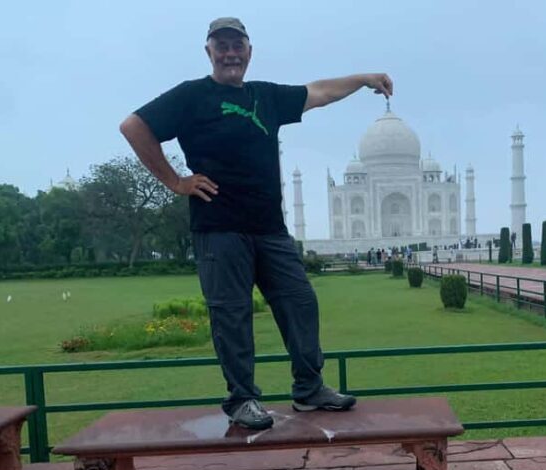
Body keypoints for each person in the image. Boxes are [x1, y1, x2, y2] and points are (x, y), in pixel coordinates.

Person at [120, 17, 394, 430]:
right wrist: (175, 181)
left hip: (269, 227)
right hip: (220, 228)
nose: (230, 53)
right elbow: (134, 126)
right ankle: (242, 399)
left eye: (237, 45)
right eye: (222, 45)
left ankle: (309, 388)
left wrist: (363, 77)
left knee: (300, 302)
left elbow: (319, 92)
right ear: (209, 51)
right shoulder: (191, 97)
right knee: (231, 314)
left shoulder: (265, 97)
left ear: (249, 51)